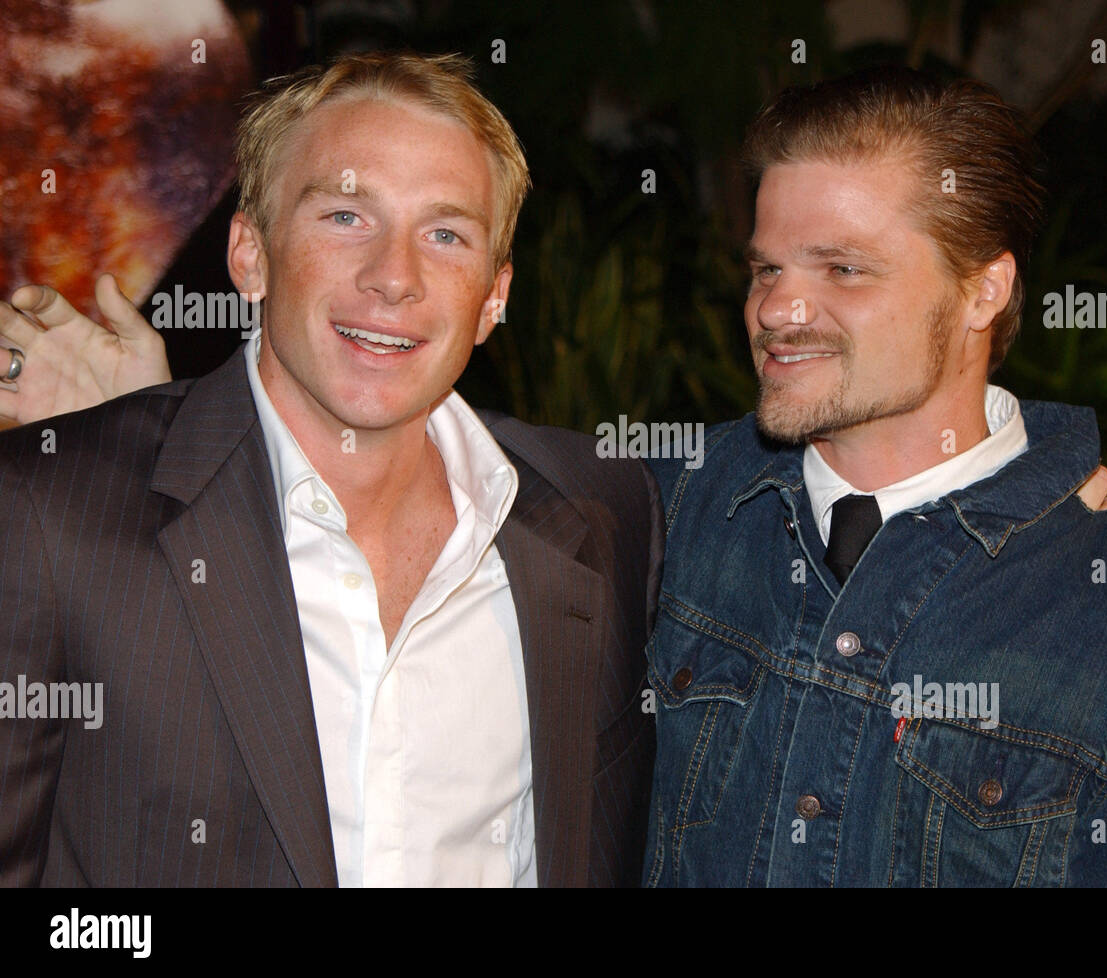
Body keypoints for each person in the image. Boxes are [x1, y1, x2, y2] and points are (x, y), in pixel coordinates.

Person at [0, 52, 662, 887]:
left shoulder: (602, 511)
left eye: (445, 234)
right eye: (346, 216)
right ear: (250, 254)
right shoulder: (46, 516)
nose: (394, 278)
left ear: (493, 297)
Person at [640, 68, 1107, 886]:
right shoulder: (665, 513)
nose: (776, 311)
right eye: (767, 270)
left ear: (983, 291)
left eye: (842, 269)